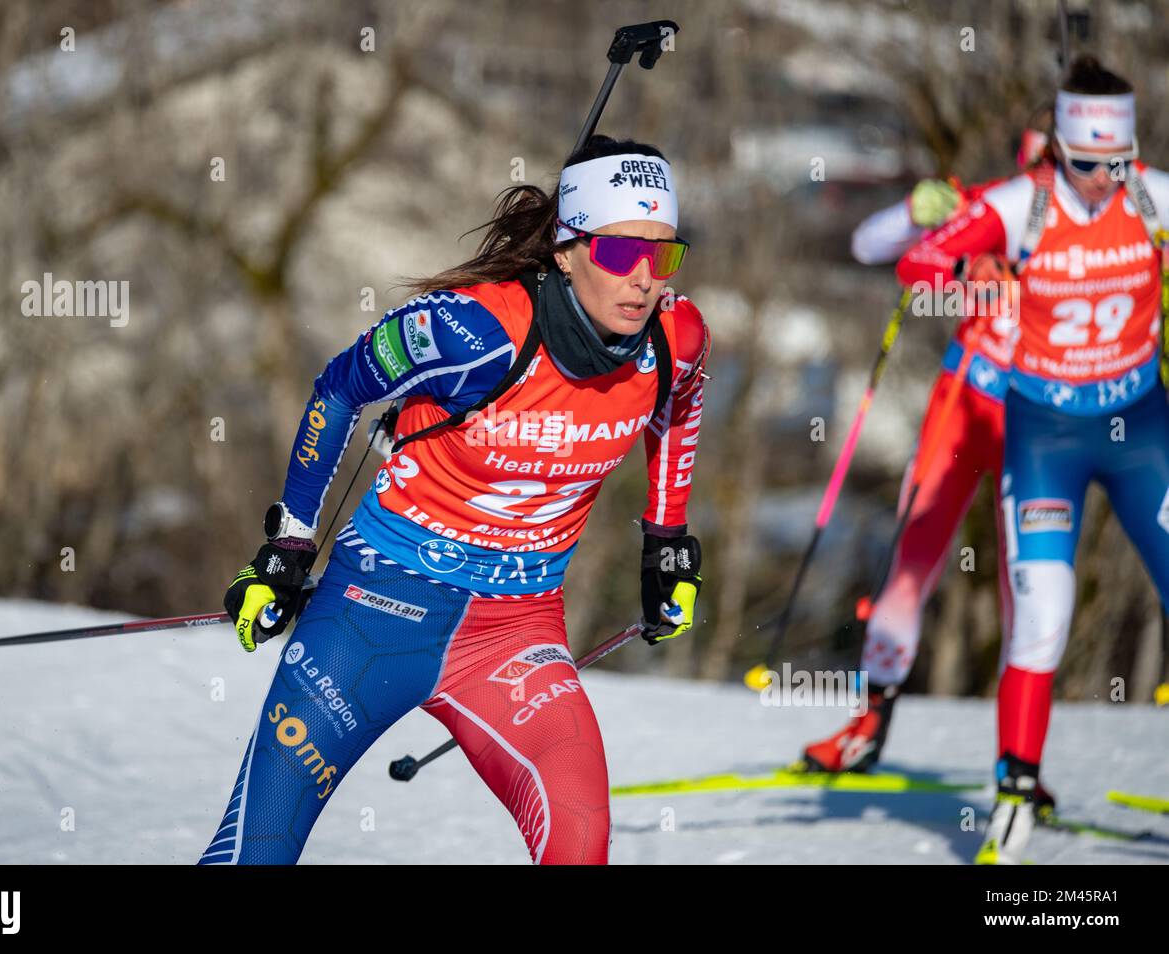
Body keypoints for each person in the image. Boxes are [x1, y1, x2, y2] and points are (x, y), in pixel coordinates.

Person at [199, 135, 711, 865]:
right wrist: (288, 546)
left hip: (516, 633)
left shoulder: (676, 340)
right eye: (620, 252)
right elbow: (340, 387)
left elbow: (680, 406)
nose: (644, 280)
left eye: (662, 255)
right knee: (257, 852)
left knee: (580, 842)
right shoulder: (474, 330)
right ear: (566, 250)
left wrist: (666, 547)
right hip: (373, 612)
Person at [895, 56, 1169, 864]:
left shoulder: (1152, 195)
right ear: (1056, 150)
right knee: (1043, 616)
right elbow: (917, 264)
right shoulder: (1021, 205)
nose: (1099, 183)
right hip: (1045, 435)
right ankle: (1016, 788)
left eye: (1113, 165)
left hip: (1141, 431)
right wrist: (972, 276)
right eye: (1083, 165)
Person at [800, 109, 1053, 777]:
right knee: (909, 564)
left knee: (1028, 588)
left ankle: (1019, 762)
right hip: (961, 402)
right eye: (1037, 163)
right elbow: (868, 246)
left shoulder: (1099, 230)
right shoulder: (990, 206)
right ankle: (867, 728)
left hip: (1037, 423)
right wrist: (918, 213)